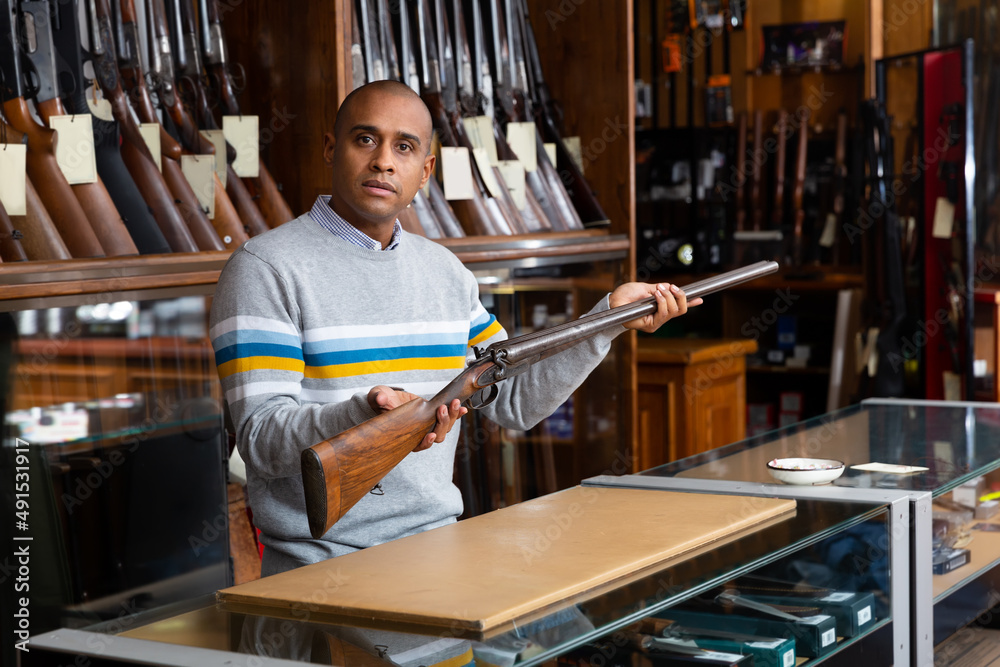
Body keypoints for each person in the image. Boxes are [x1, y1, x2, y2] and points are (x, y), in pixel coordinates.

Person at [209, 80, 701, 577]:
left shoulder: (446, 271)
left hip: (441, 555)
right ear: (331, 149)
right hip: (317, 571)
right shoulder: (263, 269)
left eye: (404, 147)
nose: (384, 161)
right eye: (365, 139)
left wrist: (605, 320)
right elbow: (261, 440)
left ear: (425, 171)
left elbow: (515, 399)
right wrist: (367, 414)